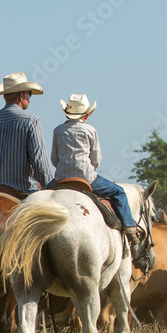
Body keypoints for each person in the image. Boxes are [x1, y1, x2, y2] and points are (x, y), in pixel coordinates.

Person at [50, 94, 140, 244]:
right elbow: (96, 160)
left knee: (38, 198)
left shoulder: (58, 130)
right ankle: (130, 227)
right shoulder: (90, 130)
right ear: (87, 114)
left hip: (61, 179)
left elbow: (54, 159)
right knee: (119, 192)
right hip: (88, 179)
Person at [0, 72, 54, 198]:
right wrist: (50, 188)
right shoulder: (31, 120)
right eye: (29, 93)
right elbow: (39, 163)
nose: (29, 98)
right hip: (22, 189)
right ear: (21, 95)